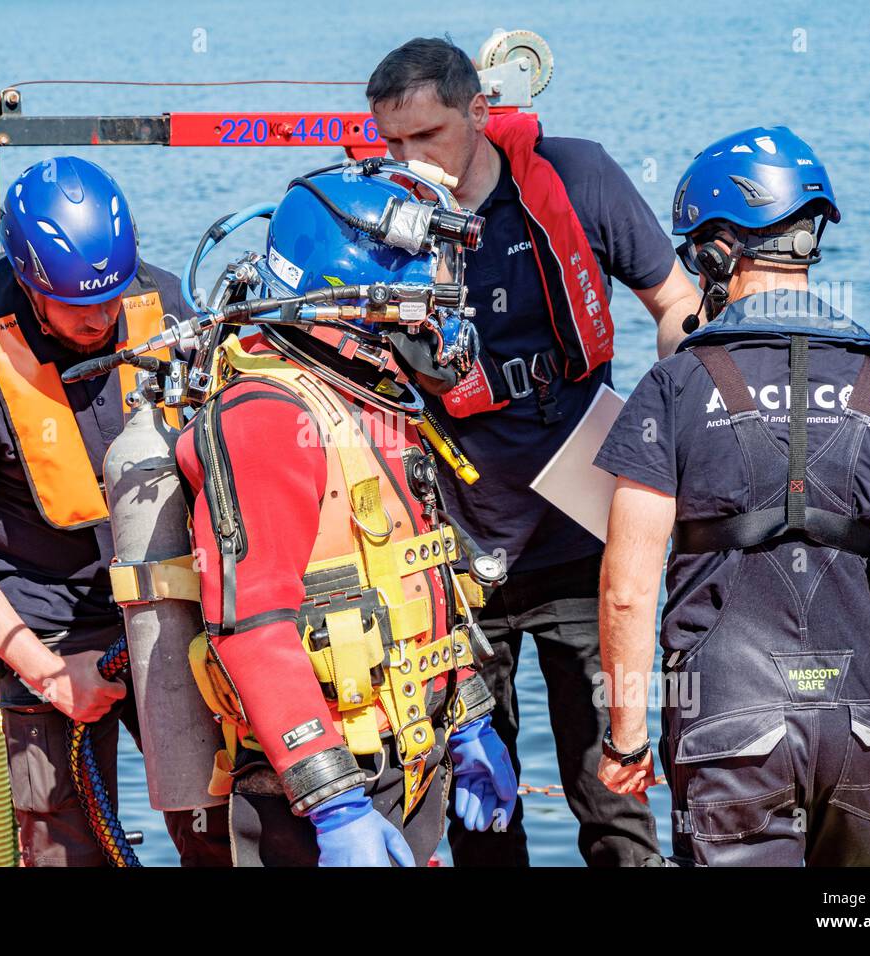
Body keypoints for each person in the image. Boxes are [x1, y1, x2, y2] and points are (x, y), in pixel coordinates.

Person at [593, 126, 870, 864]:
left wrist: (626, 734)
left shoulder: (674, 388)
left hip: (728, 729)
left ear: (719, 252)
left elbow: (627, 590)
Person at [366, 37, 701, 866]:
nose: (413, 162)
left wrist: (673, 434)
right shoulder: (374, 221)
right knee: (482, 814)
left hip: (584, 540)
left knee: (614, 800)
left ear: (480, 112)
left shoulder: (576, 177)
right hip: (450, 560)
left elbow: (675, 302)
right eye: (393, 144)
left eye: (430, 136)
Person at [173, 164, 517, 865]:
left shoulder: (370, 394)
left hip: (406, 767)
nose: (436, 318)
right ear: (347, 292)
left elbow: (417, 577)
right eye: (419, 296)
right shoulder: (266, 418)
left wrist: (468, 718)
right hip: (316, 801)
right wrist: (337, 807)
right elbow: (253, 630)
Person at [0, 155, 230, 866]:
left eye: (112, 297)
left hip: (167, 605)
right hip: (44, 625)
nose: (102, 317)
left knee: (221, 826)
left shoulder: (167, 309)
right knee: (64, 850)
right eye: (79, 305)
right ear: (27, 281)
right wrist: (43, 670)